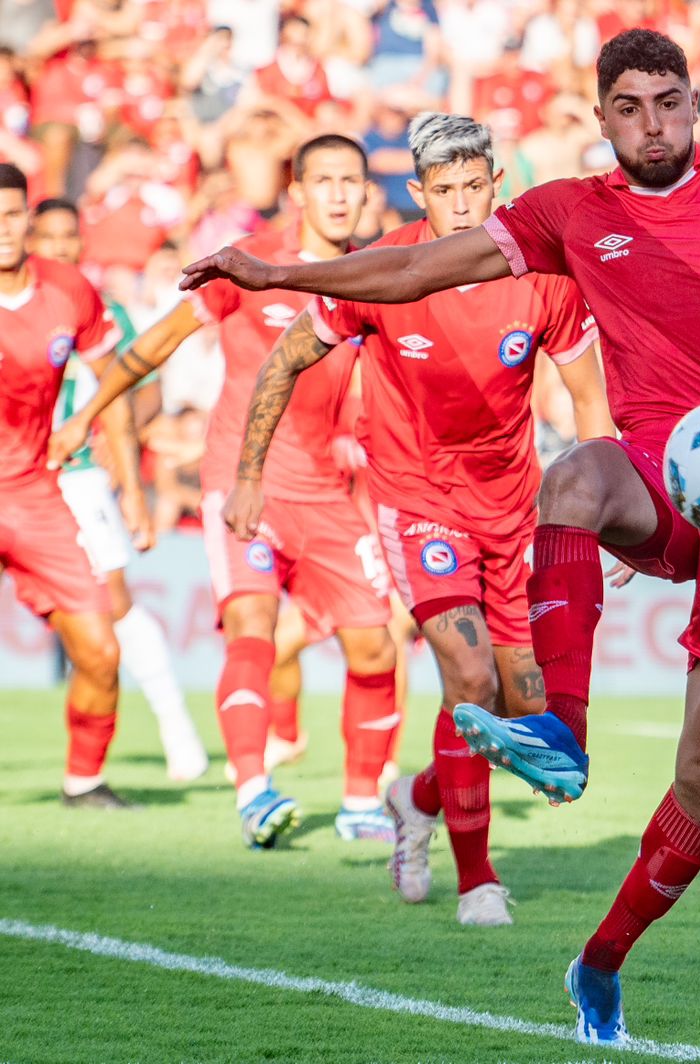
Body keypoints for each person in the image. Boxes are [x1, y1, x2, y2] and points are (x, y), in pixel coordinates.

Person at [177, 29, 700, 1046]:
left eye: (668, 101)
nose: (652, 123)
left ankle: (600, 959)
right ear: (601, 115)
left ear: (694, 104)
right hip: (657, 475)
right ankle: (560, 729)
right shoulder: (571, 212)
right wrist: (273, 270)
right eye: (629, 106)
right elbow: (419, 265)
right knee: (577, 472)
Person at [222, 113, 612, 926]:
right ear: (419, 193)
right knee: (467, 682)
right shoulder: (382, 270)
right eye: (446, 191)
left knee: (514, 712)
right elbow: (286, 358)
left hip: (514, 510)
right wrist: (249, 475)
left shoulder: (542, 275)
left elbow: (587, 401)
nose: (464, 206)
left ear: (498, 184)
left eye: (477, 187)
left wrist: (602, 505)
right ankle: (478, 881)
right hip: (418, 504)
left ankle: (414, 798)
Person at [51, 136, 401, 850]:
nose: (339, 193)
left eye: (351, 181)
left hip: (331, 493)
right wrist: (88, 412)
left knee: (374, 647)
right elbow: (158, 342)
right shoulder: (249, 262)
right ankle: (253, 792)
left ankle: (362, 803)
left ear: (366, 192)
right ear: (297, 191)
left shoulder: (375, 271)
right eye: (324, 180)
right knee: (253, 630)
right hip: (244, 482)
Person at [30, 197, 210, 784]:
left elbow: (142, 383)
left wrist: (117, 436)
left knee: (114, 604)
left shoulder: (100, 309)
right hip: (18, 476)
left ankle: (175, 732)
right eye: (47, 236)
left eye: (68, 235)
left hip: (78, 476)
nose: (59, 246)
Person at [0, 163, 136, 808]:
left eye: (10, 215)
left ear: (28, 218)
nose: (2, 229)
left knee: (102, 649)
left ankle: (84, 781)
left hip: (32, 492)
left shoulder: (67, 289)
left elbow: (115, 379)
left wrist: (129, 483)